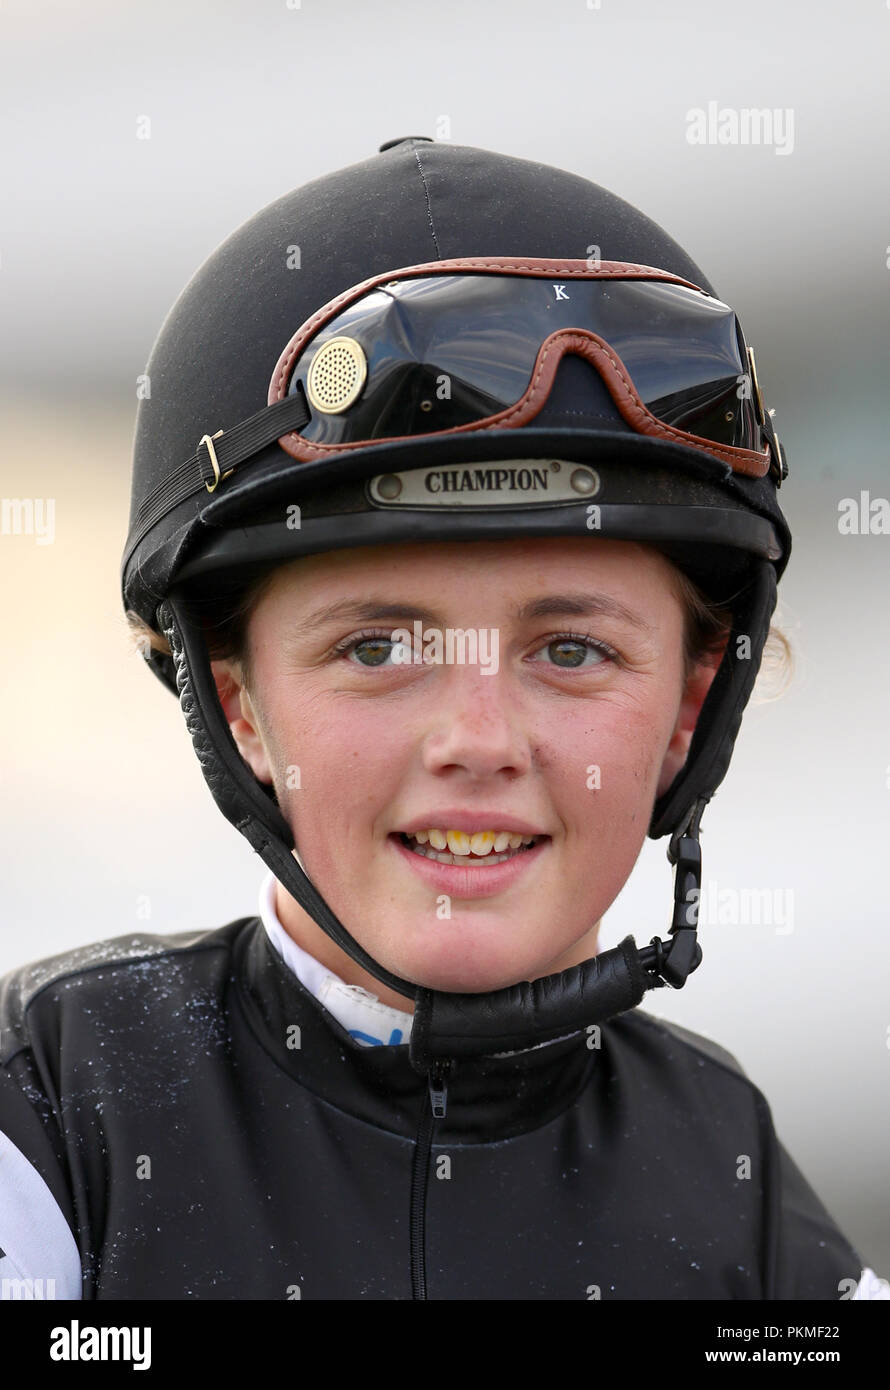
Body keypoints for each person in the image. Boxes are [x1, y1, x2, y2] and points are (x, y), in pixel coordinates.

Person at [0, 137, 886, 1301]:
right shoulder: (56, 1111)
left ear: (685, 711)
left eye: (570, 650)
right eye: (377, 647)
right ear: (237, 707)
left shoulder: (737, 1186)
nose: (478, 737)